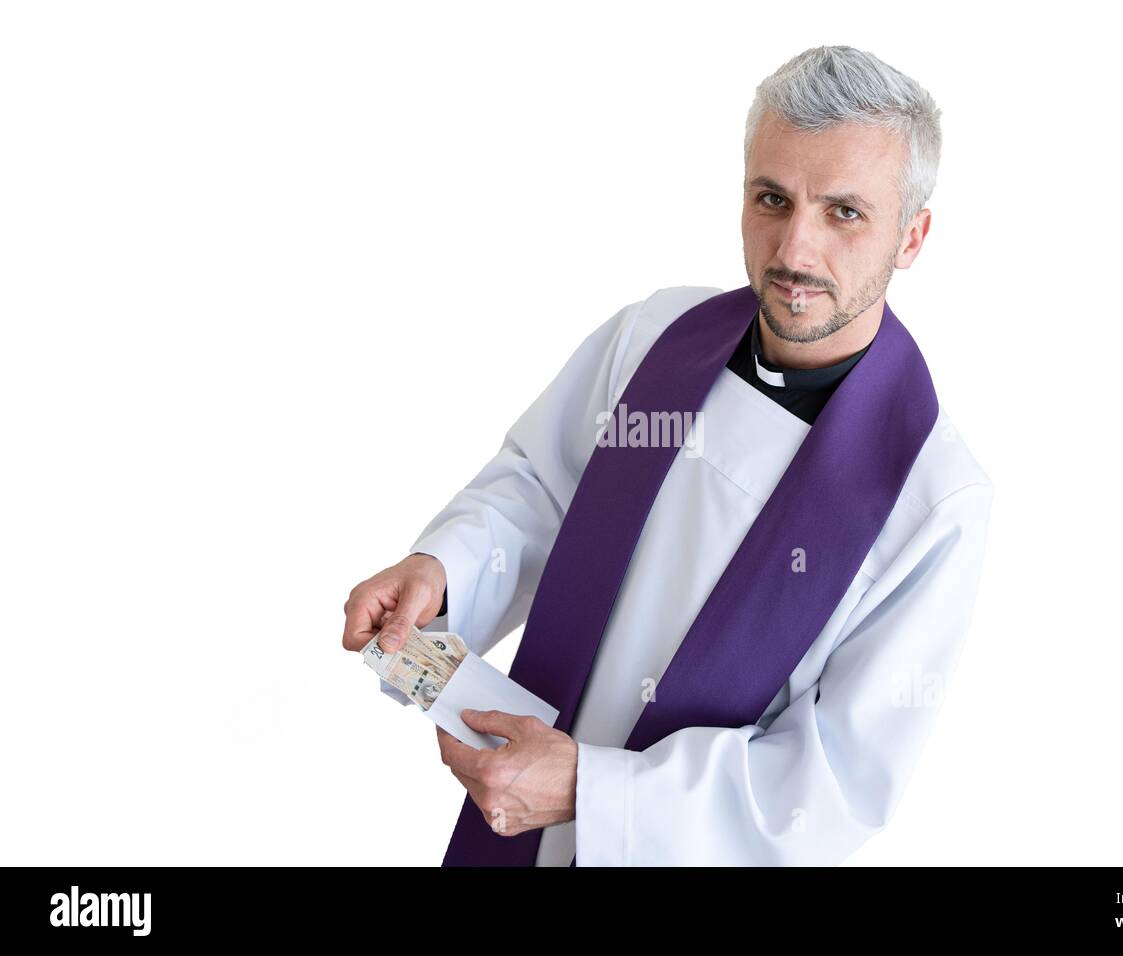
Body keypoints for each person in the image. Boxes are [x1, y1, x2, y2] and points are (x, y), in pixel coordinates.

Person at [342, 45, 993, 866]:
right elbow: (542, 491)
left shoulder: (933, 498)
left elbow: (835, 784)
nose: (795, 250)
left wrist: (594, 793)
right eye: (772, 198)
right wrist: (443, 569)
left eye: (845, 213)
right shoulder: (654, 338)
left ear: (913, 236)